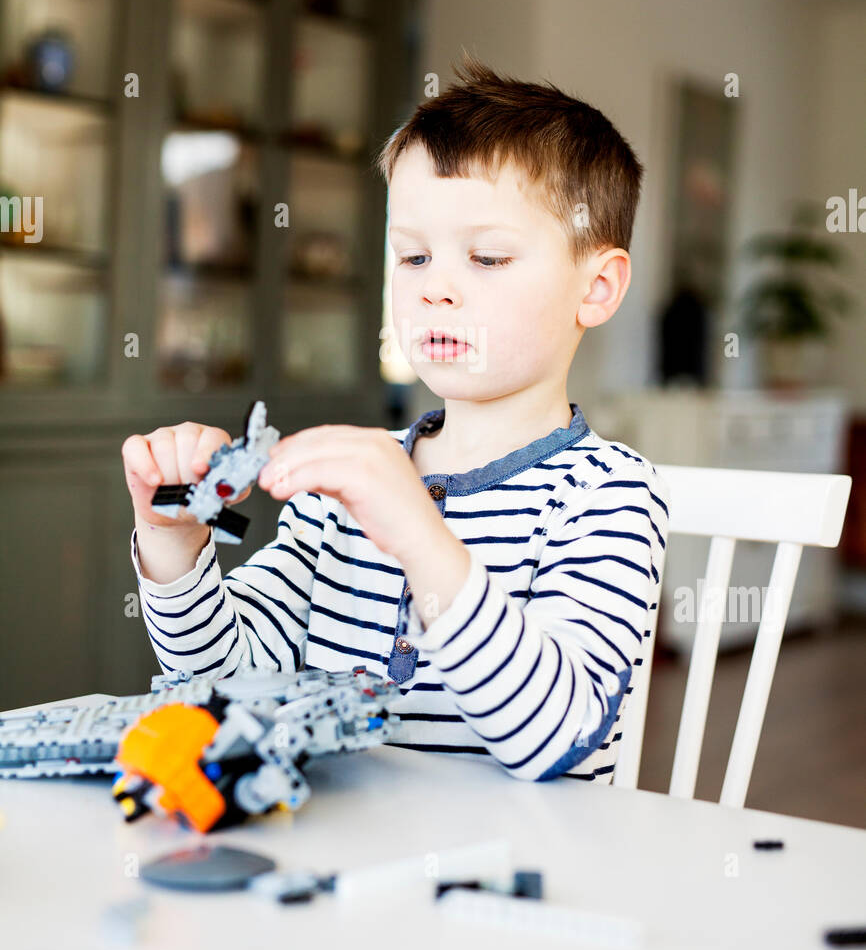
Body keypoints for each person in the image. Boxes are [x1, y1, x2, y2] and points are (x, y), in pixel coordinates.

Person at [122, 54, 669, 784]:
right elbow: (223, 686)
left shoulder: (609, 498)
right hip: (339, 868)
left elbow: (553, 733)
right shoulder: (345, 490)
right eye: (412, 256)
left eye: (487, 257)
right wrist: (175, 549)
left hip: (520, 881)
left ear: (597, 288)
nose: (435, 287)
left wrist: (418, 532)